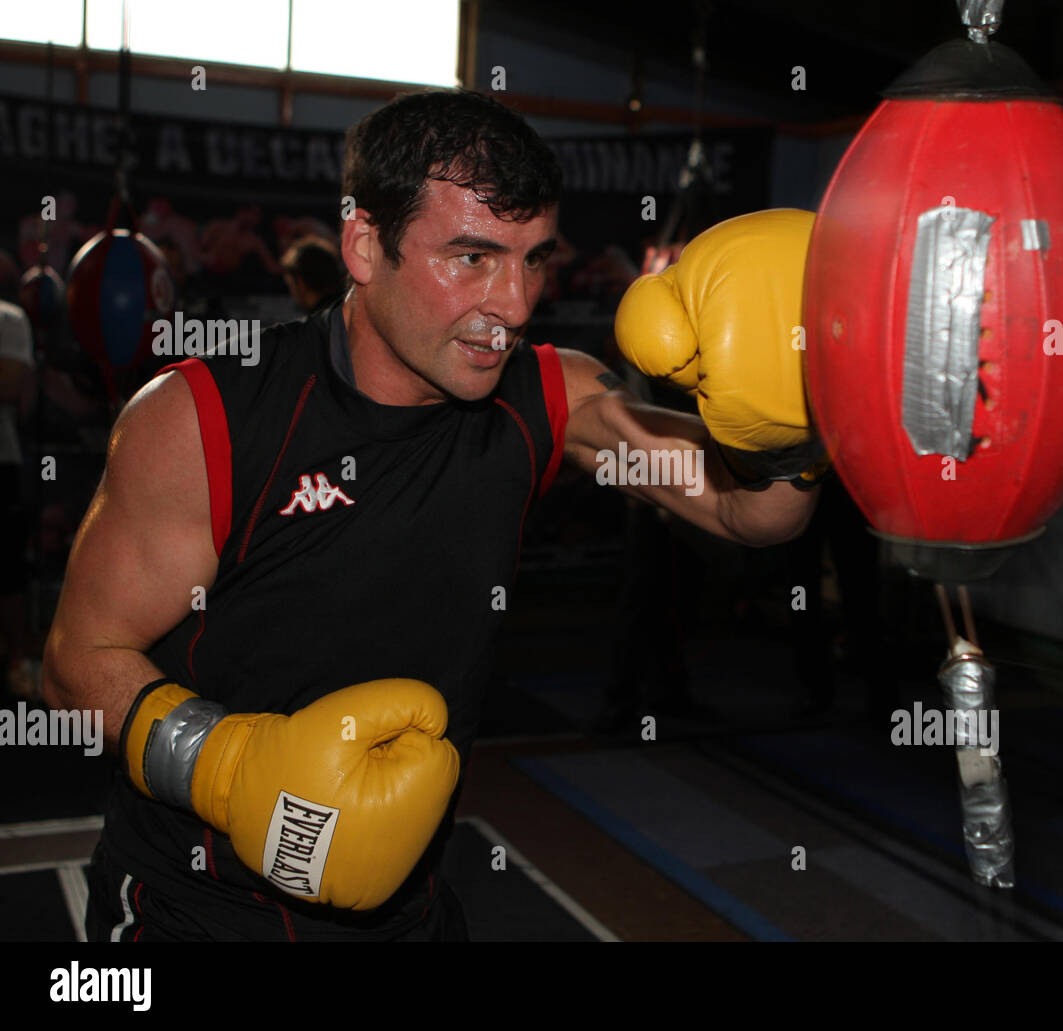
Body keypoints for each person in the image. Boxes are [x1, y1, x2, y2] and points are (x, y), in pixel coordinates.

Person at [43, 88, 824, 941]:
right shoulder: (205, 419)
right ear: (364, 244)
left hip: (407, 912)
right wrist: (225, 766)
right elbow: (75, 666)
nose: (516, 304)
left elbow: (754, 515)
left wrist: (791, 430)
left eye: (533, 260)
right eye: (473, 257)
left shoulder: (544, 396)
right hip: (192, 909)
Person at [0, 298, 36, 699]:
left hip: (1, 460)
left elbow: (10, 384)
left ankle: (18, 662)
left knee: (7, 567)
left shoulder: (8, 318)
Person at [280, 235, 345, 314]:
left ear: (300, 281)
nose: (292, 293)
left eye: (290, 284)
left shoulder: (313, 323)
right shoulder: (348, 310)